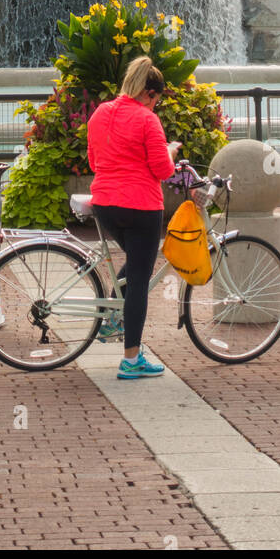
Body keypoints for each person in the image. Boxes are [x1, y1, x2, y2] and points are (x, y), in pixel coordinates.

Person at [87, 57, 181, 379]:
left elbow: (93, 160)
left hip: (105, 205)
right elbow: (163, 170)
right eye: (156, 100)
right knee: (140, 282)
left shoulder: (101, 113)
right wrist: (169, 150)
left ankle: (112, 314)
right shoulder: (147, 120)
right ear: (149, 93)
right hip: (141, 207)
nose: (156, 106)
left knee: (136, 261)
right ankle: (131, 359)